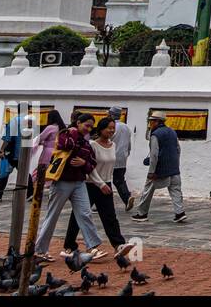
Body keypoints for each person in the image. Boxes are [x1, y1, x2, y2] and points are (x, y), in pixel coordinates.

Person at [33, 113, 105, 262]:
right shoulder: (66, 134)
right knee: (52, 215)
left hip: (79, 182)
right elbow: (65, 146)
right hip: (62, 181)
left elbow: (92, 163)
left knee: (85, 213)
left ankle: (92, 246)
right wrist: (73, 132)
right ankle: (40, 249)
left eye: (91, 127)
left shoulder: (86, 143)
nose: (88, 129)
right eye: (86, 125)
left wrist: (83, 163)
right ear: (78, 123)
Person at [63, 117, 135, 258]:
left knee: (110, 216)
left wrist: (106, 183)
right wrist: (100, 184)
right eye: (108, 127)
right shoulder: (92, 145)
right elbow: (91, 167)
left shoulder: (113, 145)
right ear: (101, 129)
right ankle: (69, 246)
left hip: (106, 183)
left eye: (113, 128)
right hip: (90, 184)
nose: (111, 130)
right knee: (79, 216)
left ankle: (118, 244)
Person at [131, 110, 186, 223]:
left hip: (159, 169)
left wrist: (151, 171)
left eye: (151, 121)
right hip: (174, 168)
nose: (150, 124)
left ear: (157, 122)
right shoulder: (172, 132)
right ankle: (179, 212)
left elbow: (154, 154)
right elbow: (178, 149)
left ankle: (142, 213)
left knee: (147, 191)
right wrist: (176, 164)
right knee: (175, 190)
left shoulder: (156, 134)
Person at [0, 109, 24, 202]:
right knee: (25, 173)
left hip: (11, 153)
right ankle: (30, 194)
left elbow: (7, 138)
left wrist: (2, 150)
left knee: (3, 174)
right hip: (24, 153)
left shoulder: (14, 121)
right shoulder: (31, 122)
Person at [28, 110, 66, 187]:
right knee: (52, 170)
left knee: (41, 169)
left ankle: (36, 189)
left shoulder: (50, 127)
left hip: (48, 151)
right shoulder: (63, 128)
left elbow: (40, 138)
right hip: (59, 152)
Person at [107, 108, 134, 209]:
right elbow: (129, 144)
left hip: (110, 156)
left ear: (111, 115)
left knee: (104, 179)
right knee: (119, 180)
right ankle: (127, 198)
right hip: (122, 157)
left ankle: (100, 202)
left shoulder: (111, 127)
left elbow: (107, 140)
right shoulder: (126, 127)